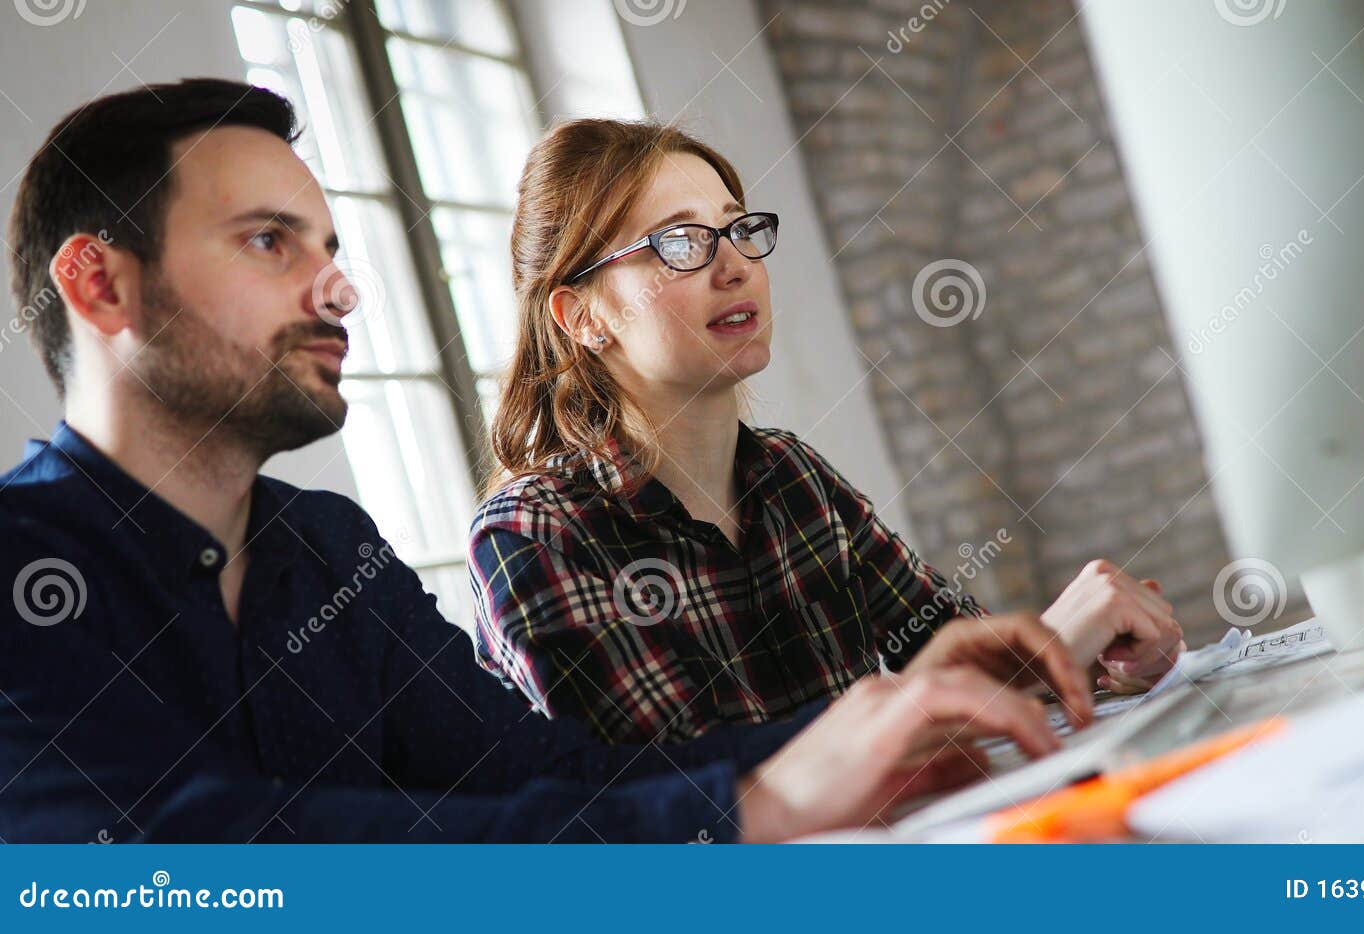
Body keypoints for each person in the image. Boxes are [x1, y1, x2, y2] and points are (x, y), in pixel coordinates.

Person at [0, 78, 1134, 844]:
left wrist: (903, 709)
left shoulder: (325, 551)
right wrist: (758, 798)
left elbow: (550, 782)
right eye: (268, 241)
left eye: (332, 247)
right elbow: (193, 855)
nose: (338, 286)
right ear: (102, 282)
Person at [469, 118, 1187, 745]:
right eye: (680, 243)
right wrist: (925, 703)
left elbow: (973, 672)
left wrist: (1094, 658)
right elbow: (691, 796)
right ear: (583, 317)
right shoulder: (534, 536)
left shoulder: (793, 476)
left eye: (738, 228)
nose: (735, 266)